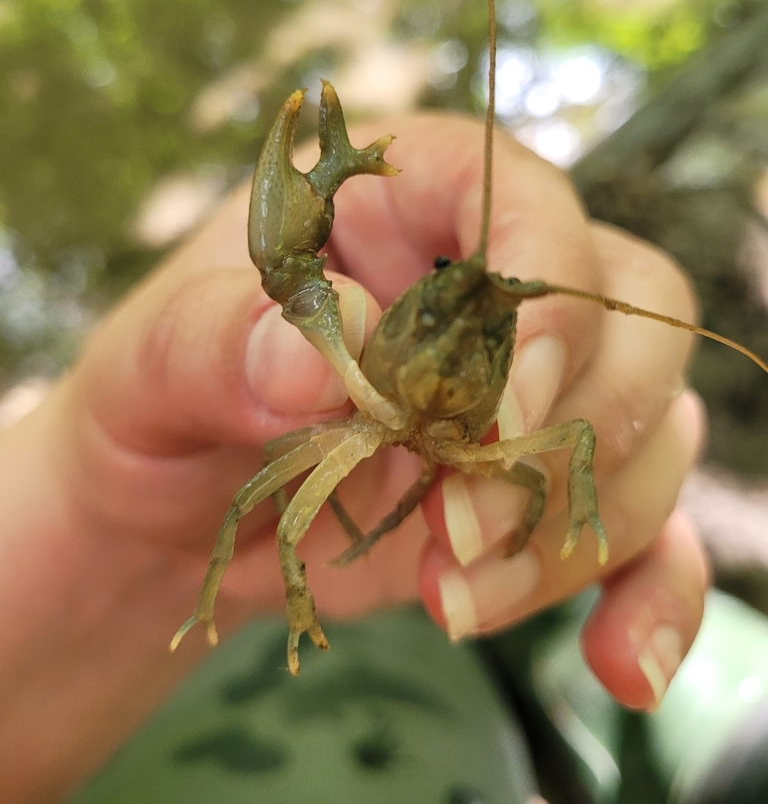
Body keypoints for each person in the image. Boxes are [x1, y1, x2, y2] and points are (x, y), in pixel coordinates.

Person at [0, 110, 708, 803]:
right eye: (442, 278)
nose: (460, 324)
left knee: (557, 456)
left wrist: (573, 509)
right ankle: (272, 616)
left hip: (450, 497)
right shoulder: (340, 365)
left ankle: (512, 597)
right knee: (263, 503)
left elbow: (575, 438)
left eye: (495, 321)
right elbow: (258, 505)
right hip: (368, 445)